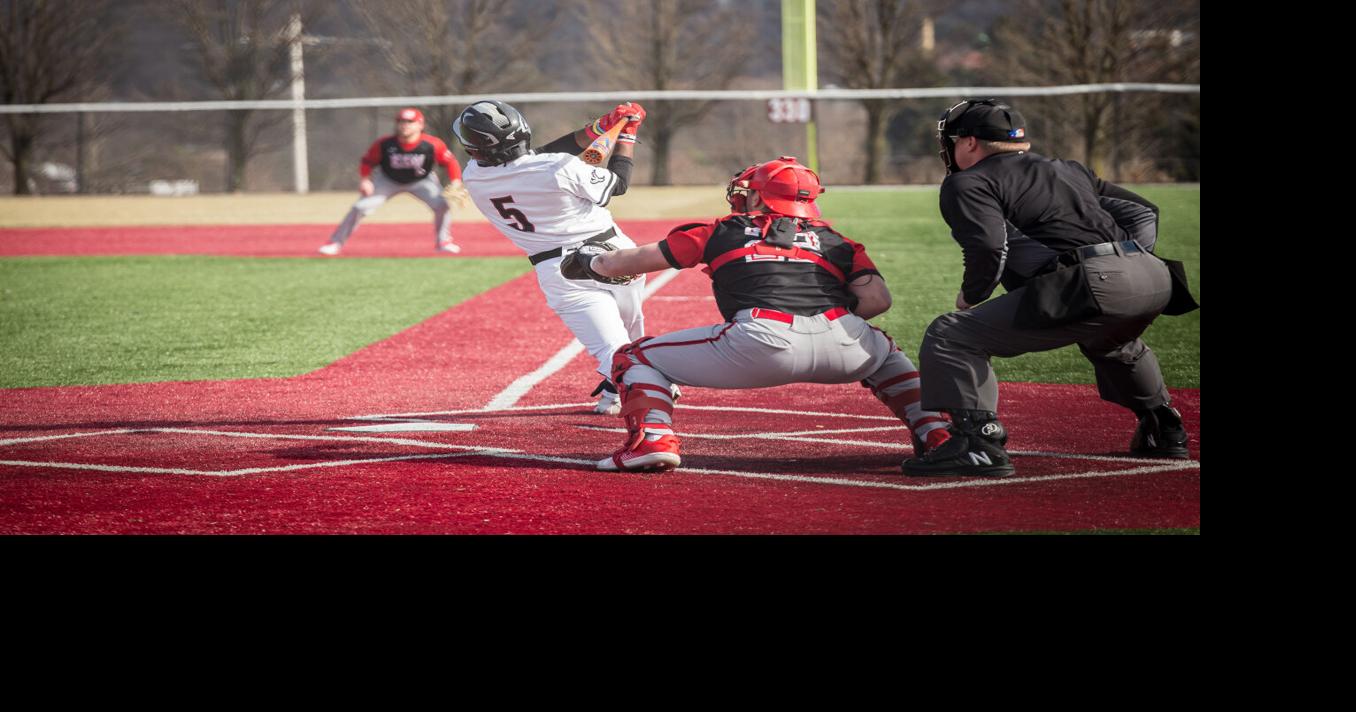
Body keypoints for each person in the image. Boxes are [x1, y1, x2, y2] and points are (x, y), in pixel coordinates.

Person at [564, 156, 952, 472]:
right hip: (845, 342)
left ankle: (652, 440)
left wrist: (591, 261)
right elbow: (878, 300)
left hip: (760, 340)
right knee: (884, 351)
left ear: (758, 196)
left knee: (634, 356)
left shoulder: (720, 230)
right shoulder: (838, 241)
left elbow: (631, 261)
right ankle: (937, 432)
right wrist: (822, 317)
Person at [901, 99, 1197, 478]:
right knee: (1109, 340)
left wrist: (972, 295)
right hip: (1157, 276)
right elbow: (1144, 213)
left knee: (950, 335)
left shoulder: (968, 181)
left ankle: (978, 442)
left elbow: (991, 247)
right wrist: (1128, 260)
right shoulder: (1067, 168)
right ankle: (1164, 426)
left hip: (1102, 280)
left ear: (971, 143)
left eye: (955, 140)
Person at [452, 99, 649, 415]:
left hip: (560, 270)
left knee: (613, 348)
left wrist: (600, 128)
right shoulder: (560, 166)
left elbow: (536, 159)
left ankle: (626, 391)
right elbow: (619, 184)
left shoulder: (474, 176)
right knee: (632, 335)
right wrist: (627, 135)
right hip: (617, 251)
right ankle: (647, 393)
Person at [318, 107, 466, 256]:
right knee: (359, 207)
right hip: (388, 180)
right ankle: (335, 242)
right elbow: (367, 162)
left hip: (421, 181)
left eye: (410, 121)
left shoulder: (432, 144)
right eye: (401, 121)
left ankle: (443, 242)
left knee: (442, 205)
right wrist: (365, 180)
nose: (405, 125)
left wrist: (456, 182)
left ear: (420, 125)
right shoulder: (385, 144)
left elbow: (450, 162)